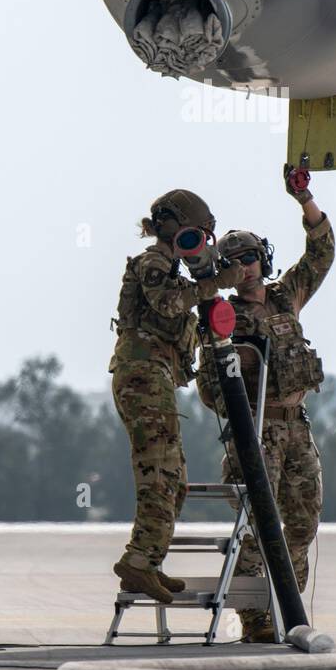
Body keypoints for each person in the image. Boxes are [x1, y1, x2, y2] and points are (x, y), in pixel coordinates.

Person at [196, 166, 335, 641]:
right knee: (254, 529)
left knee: (300, 523)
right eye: (236, 261)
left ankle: (290, 619)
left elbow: (321, 253)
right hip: (255, 432)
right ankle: (256, 622)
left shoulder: (284, 300)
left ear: (263, 260)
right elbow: (209, 389)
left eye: (252, 257)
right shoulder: (222, 317)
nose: (247, 266)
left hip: (295, 425)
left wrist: (305, 198)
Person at [110, 188, 245, 604]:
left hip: (157, 377)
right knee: (159, 476)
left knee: (176, 481)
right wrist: (213, 285)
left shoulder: (169, 267)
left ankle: (148, 560)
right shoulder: (153, 262)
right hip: (143, 376)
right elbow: (168, 306)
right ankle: (138, 563)